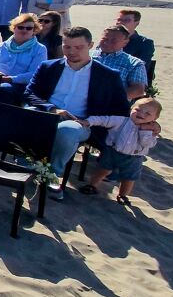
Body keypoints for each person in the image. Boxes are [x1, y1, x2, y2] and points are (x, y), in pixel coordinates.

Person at [23, 26, 130, 201]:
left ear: (91, 45)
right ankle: (23, 164)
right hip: (47, 113)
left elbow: (121, 110)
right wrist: (51, 108)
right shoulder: (49, 66)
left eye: (78, 47)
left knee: (67, 131)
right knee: (24, 115)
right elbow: (30, 93)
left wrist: (92, 121)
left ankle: (51, 175)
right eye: (67, 47)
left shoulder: (107, 76)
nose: (71, 52)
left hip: (81, 122)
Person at [79, 97, 162, 204]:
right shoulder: (121, 121)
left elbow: (148, 144)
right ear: (131, 109)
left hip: (134, 157)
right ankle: (92, 185)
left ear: (155, 118)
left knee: (129, 178)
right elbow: (104, 120)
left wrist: (144, 132)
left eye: (148, 113)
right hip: (112, 151)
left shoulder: (151, 130)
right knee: (102, 170)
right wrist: (88, 121)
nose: (141, 114)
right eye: (138, 109)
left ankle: (122, 195)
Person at [0, 13, 49, 104]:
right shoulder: (2, 46)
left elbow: (35, 74)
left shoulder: (40, 49)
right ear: (14, 28)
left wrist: (10, 79)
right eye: (20, 27)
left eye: (29, 28)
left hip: (20, 85)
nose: (24, 30)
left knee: (4, 89)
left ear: (34, 30)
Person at [91, 25, 149, 100]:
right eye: (104, 39)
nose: (107, 43)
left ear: (125, 43)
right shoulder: (86, 56)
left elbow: (138, 90)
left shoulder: (134, 63)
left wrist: (109, 98)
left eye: (113, 41)